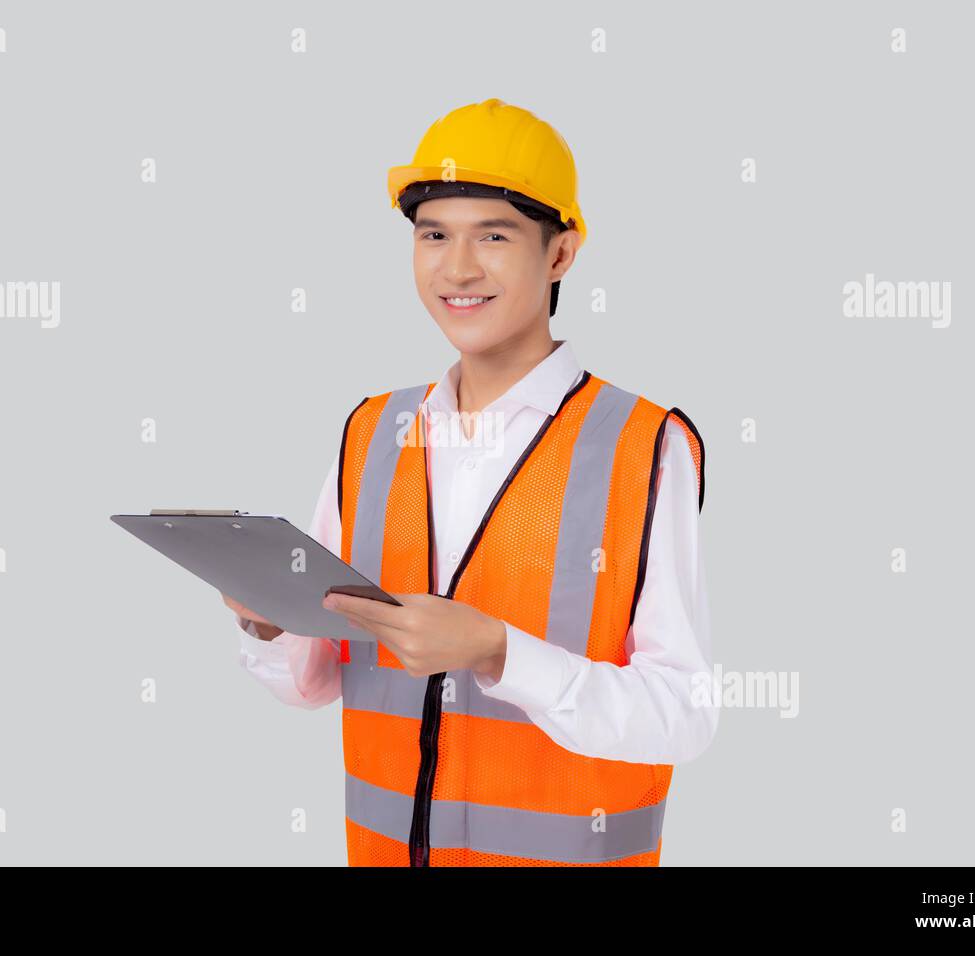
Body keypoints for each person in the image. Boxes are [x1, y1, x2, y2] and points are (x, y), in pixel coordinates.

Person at [226, 98, 716, 866]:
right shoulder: (371, 432)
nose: (456, 268)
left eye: (493, 235)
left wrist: (496, 652)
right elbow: (313, 680)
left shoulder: (643, 445)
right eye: (433, 236)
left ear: (560, 255)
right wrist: (265, 621)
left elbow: (683, 714)